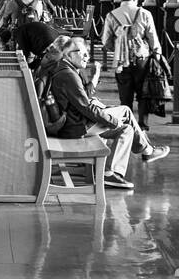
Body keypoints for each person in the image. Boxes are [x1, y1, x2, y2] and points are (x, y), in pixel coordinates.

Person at [49, 36, 169, 189]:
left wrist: (100, 108)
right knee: (125, 112)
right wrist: (112, 121)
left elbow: (81, 100)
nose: (87, 56)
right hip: (75, 127)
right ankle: (146, 151)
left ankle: (111, 173)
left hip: (74, 122)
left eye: (87, 52)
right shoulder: (68, 74)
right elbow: (85, 107)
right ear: (69, 55)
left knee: (127, 129)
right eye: (81, 52)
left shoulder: (66, 69)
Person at [102, 0, 165, 132]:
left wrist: (117, 48)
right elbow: (153, 38)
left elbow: (105, 41)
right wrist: (157, 55)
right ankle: (142, 124)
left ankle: (127, 125)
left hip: (121, 62)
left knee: (125, 94)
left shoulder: (111, 15)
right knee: (144, 92)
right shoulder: (144, 14)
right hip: (141, 58)